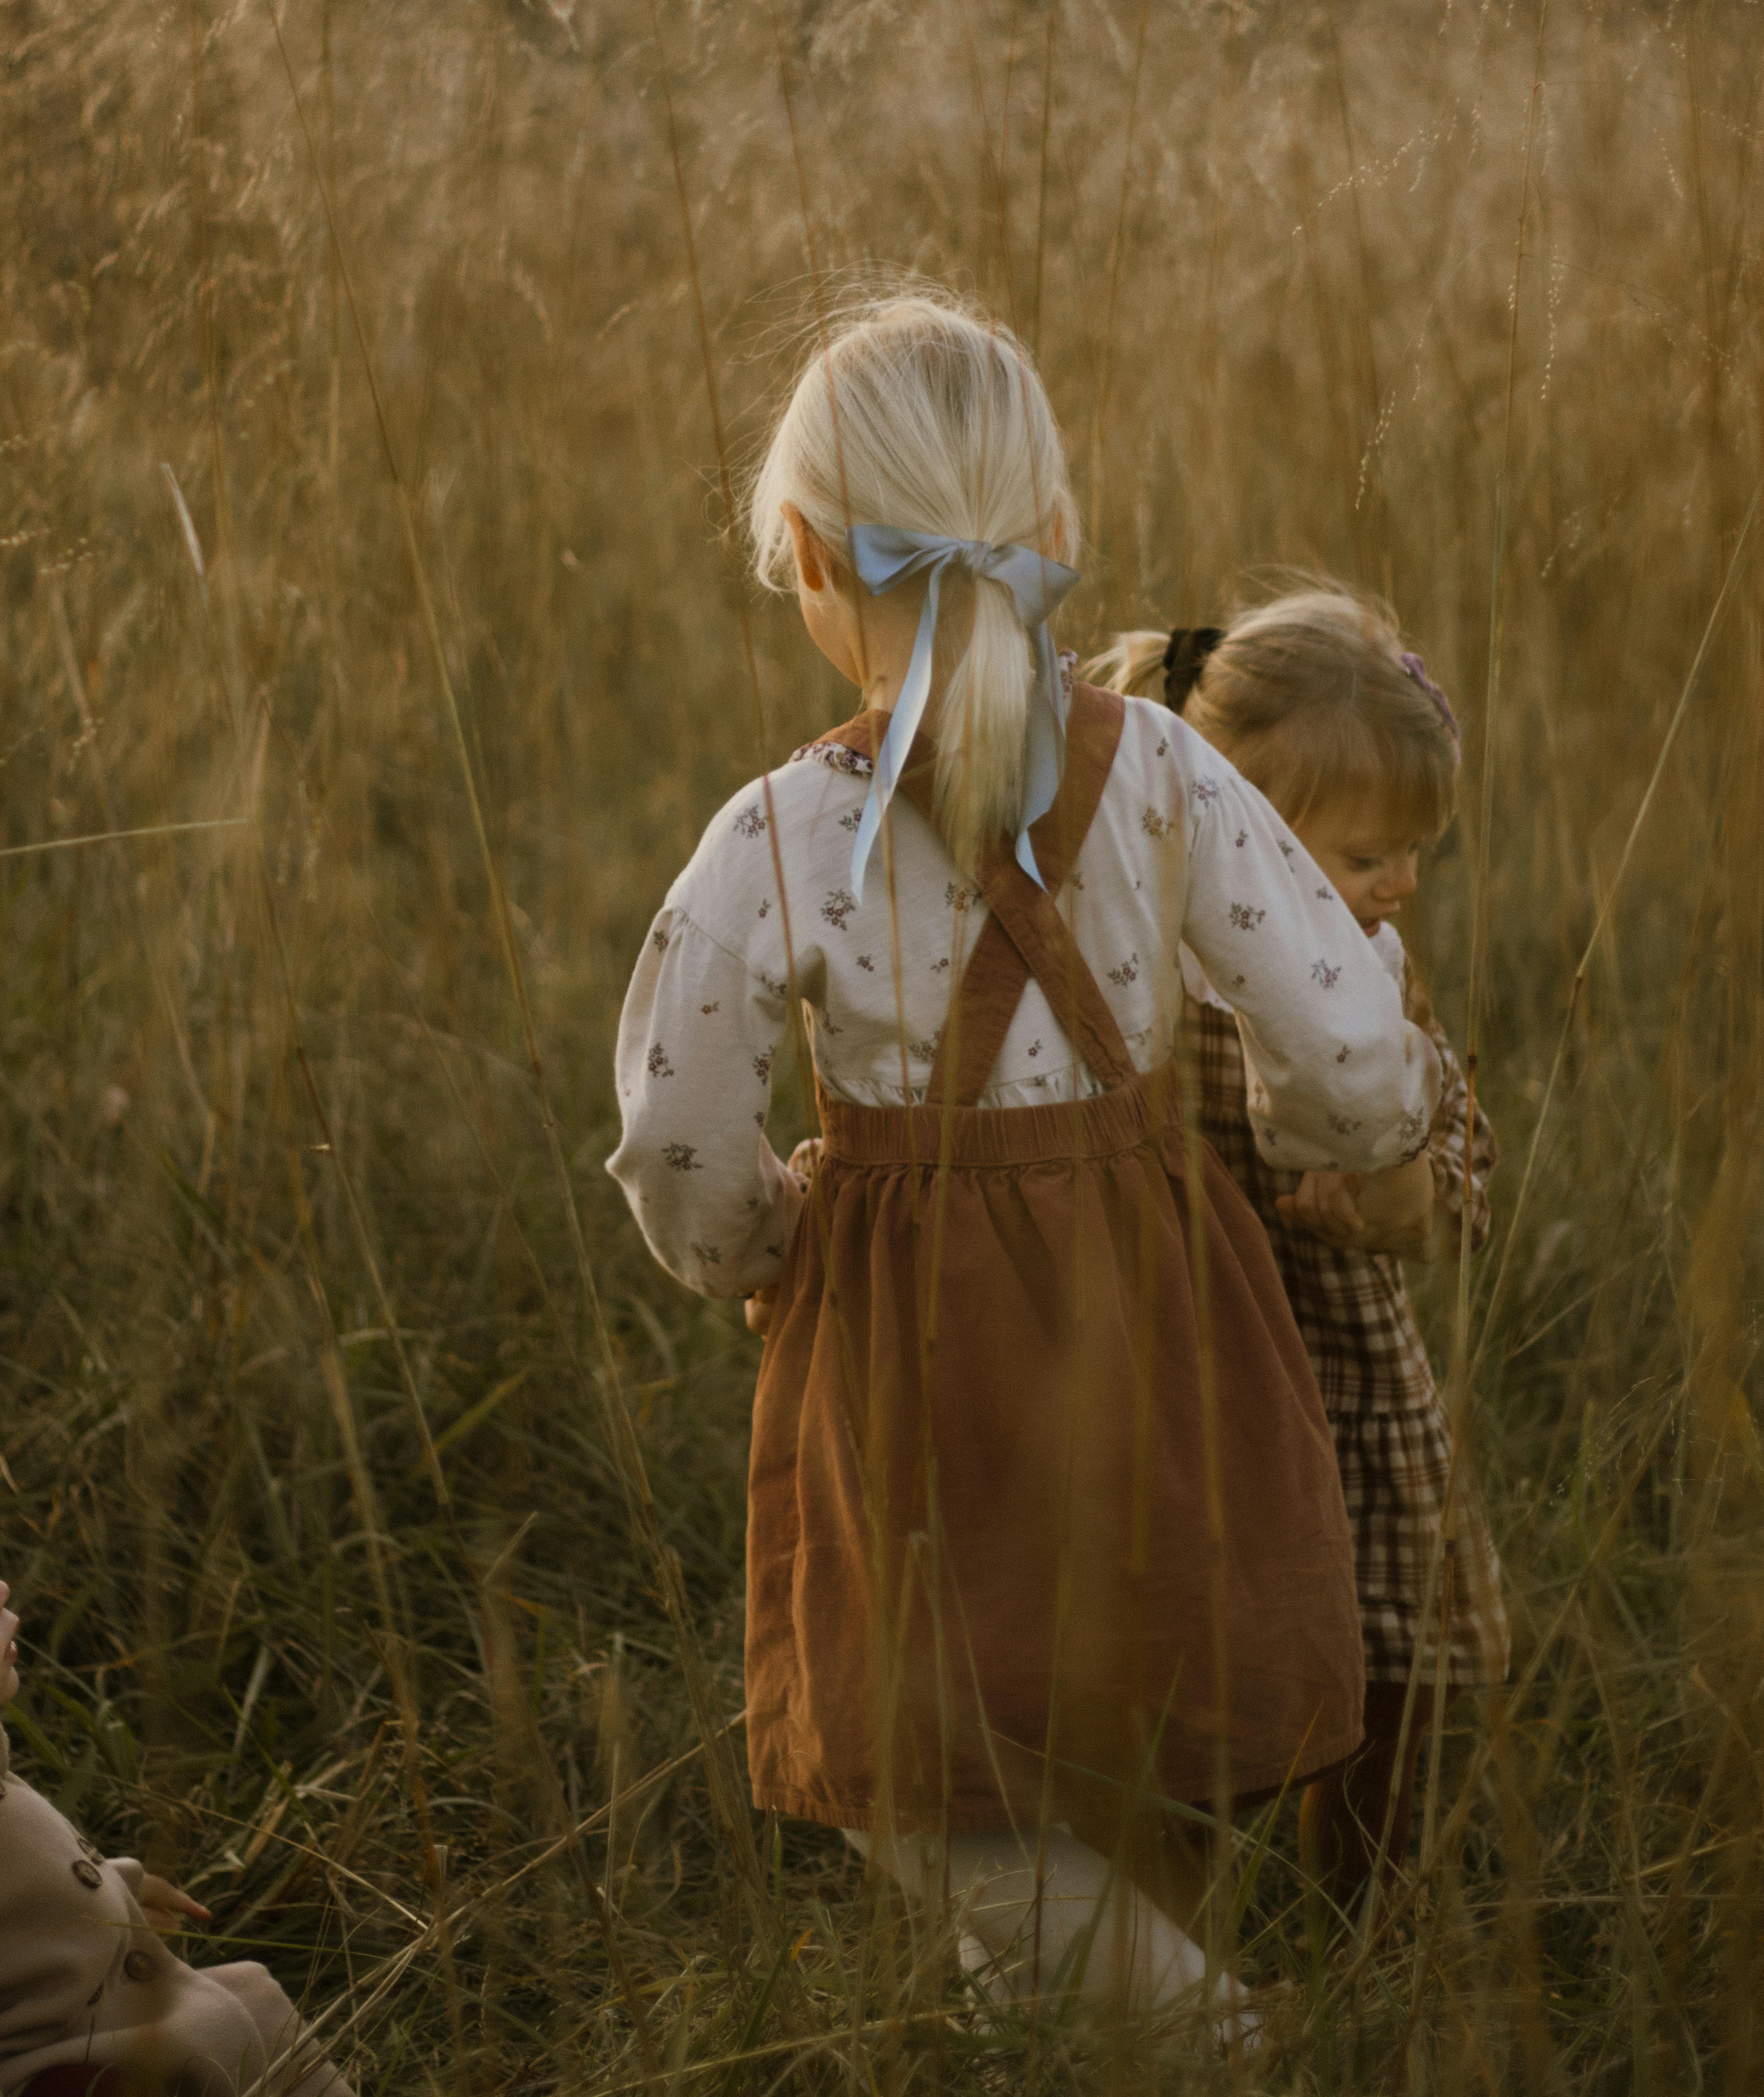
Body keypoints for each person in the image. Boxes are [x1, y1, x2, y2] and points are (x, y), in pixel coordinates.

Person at [608, 290, 1446, 2023]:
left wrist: (761, 1244)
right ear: (1053, 538)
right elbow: (1358, 1059)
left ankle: (1188, 2023)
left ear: (799, 550)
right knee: (1137, 1660)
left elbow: (675, 1139)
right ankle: (1074, 2000)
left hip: (911, 1332)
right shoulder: (1159, 767)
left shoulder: (772, 833)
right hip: (1159, 1286)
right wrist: (1313, 1142)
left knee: (914, 1733)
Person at [1094, 596, 1509, 1934]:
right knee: (1198, 1650)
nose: (1398, 885)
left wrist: (1411, 1199)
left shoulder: (1368, 967)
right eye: (1366, 853)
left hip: (1344, 1349)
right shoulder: (1141, 976)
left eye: (1415, 855)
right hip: (1185, 1370)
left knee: (1412, 1630)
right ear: (1239, 836)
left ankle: (1368, 1909)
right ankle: (1164, 1924)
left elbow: (1454, 1130)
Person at [0, 1454, 351, 2097]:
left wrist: (114, 1889)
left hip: (102, 2028)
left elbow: (1, 1901)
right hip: (71, 2067)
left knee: (249, 2005)